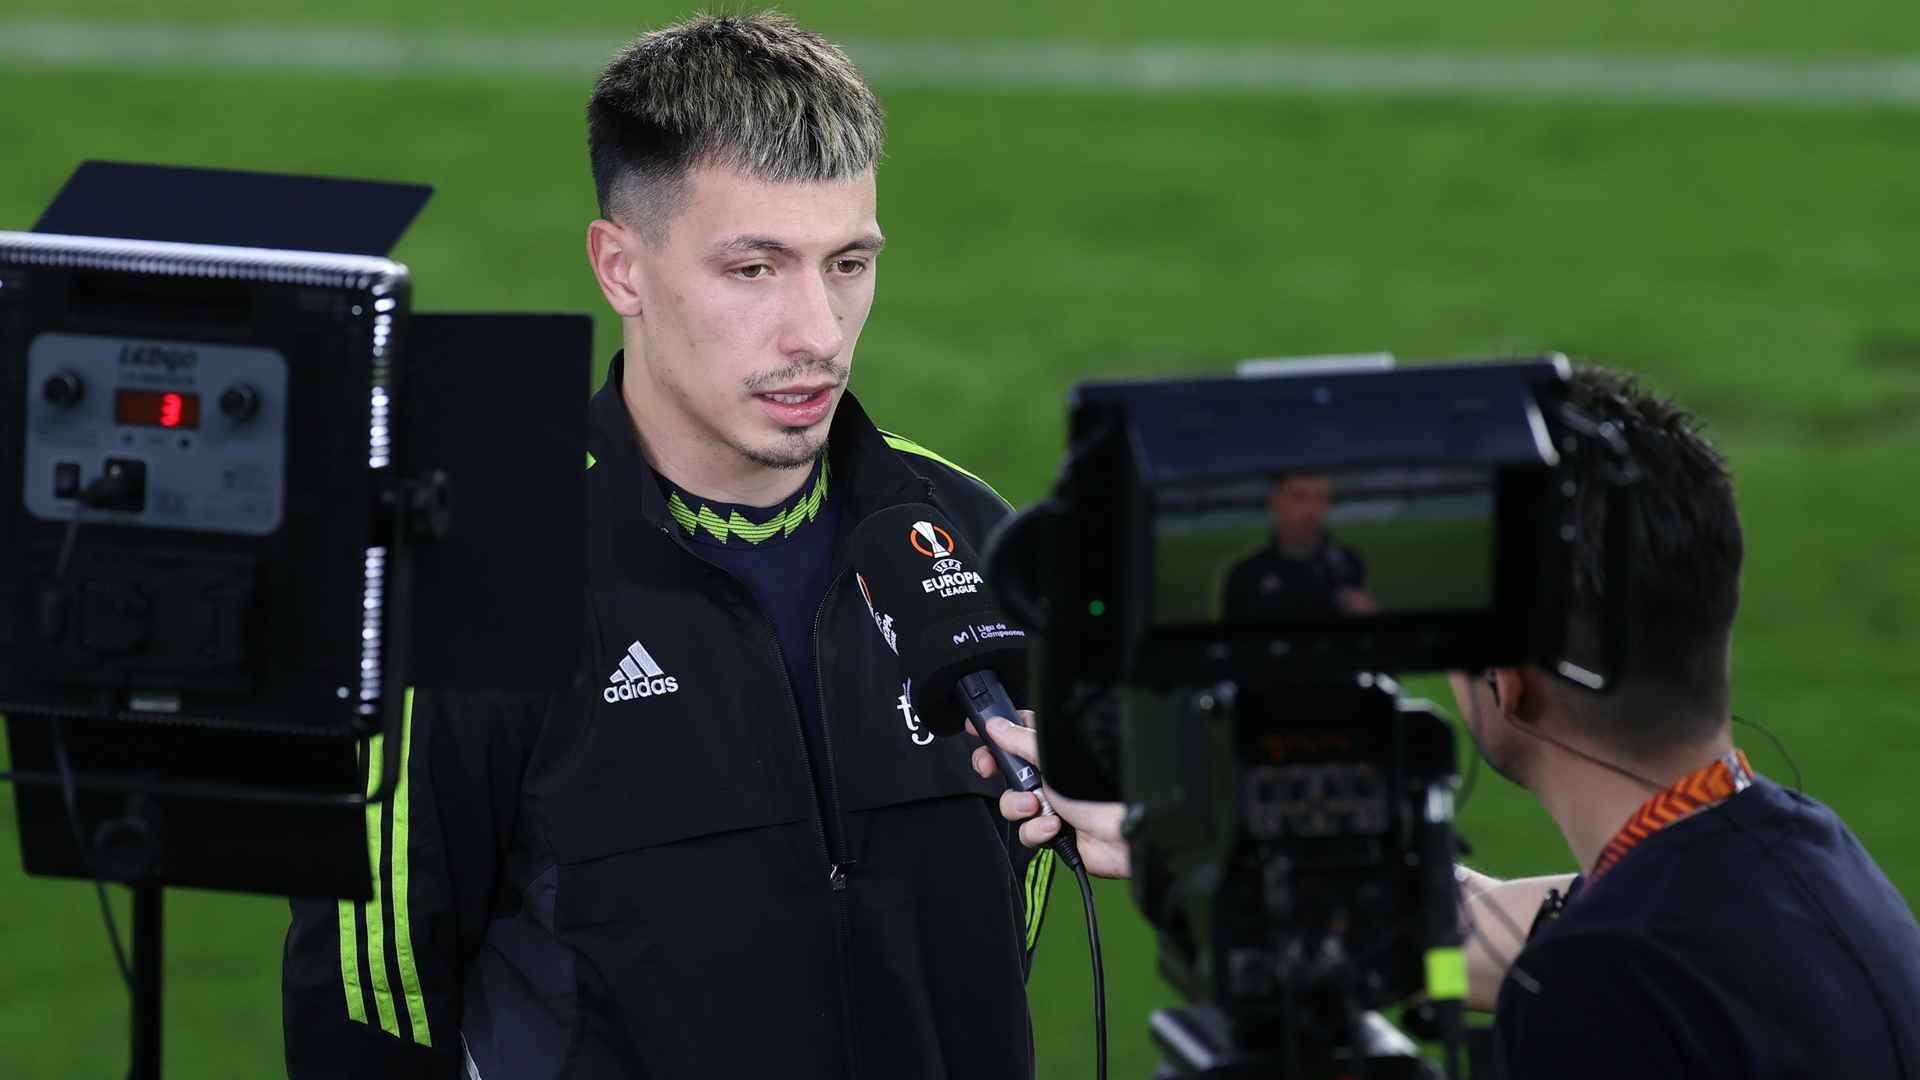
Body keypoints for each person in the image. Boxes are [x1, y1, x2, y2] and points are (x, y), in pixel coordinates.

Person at [282, 15, 1054, 1077]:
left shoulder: (970, 535)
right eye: (753, 269)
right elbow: (376, 1002)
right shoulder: (477, 563)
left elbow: (1009, 922)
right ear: (622, 269)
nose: (817, 333)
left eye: (848, 263)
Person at [996, 368, 1920, 1077]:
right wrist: (1195, 831)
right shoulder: (1795, 861)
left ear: (1509, 678)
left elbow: (1591, 961)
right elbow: (1530, 927)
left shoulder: (1604, 991)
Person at [1219, 472, 1378, 622]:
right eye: (1300, 497)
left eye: (1320, 498)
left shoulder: (1349, 561)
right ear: (1275, 501)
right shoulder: (1244, 575)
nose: (1312, 510)